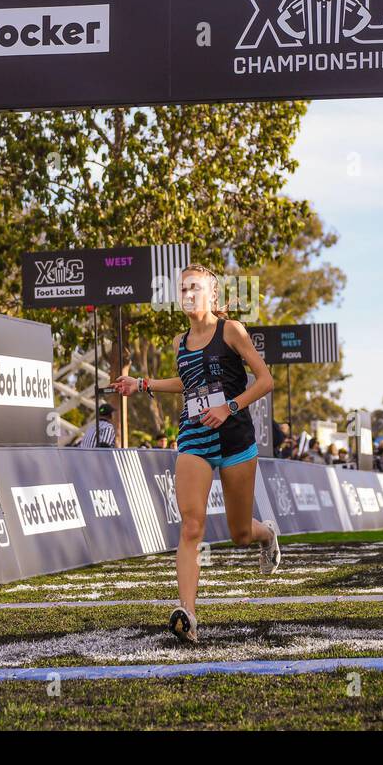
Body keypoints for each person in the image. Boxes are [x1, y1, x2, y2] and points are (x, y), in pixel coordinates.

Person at [113, 263, 277, 644]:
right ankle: (188, 613)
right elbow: (187, 386)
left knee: (239, 534)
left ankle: (267, 535)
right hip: (194, 438)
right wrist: (142, 383)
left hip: (236, 439)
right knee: (191, 526)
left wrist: (229, 407)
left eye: (195, 288)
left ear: (212, 296)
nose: (187, 295)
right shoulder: (179, 342)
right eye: (182, 289)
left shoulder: (231, 330)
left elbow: (266, 380)